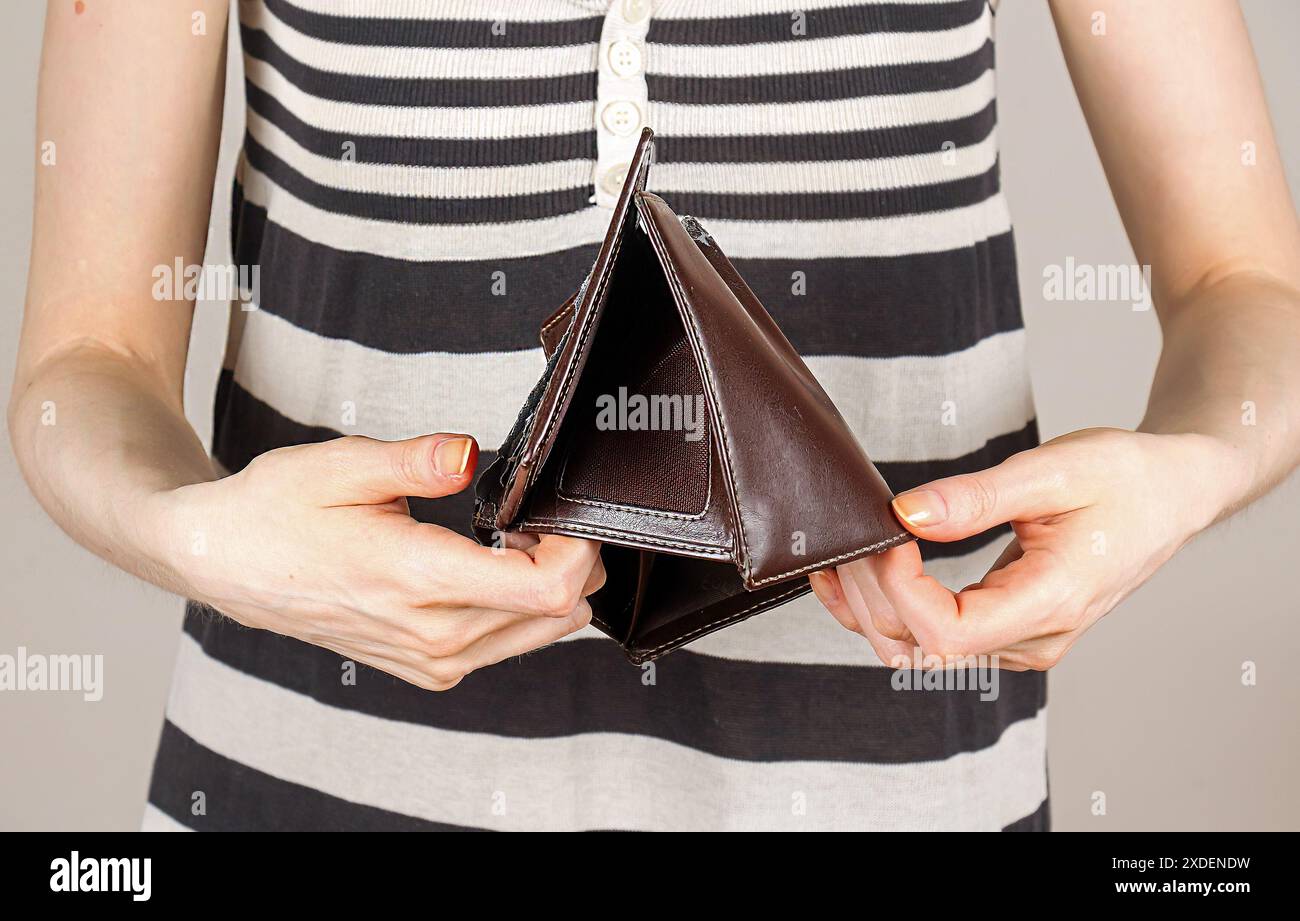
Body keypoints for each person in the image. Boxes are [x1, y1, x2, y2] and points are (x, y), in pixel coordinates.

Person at [10, 0, 1299, 831]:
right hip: (298, 788)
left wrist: (1189, 467)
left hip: (907, 801)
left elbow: (1247, 289)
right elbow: (86, 357)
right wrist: (189, 534)